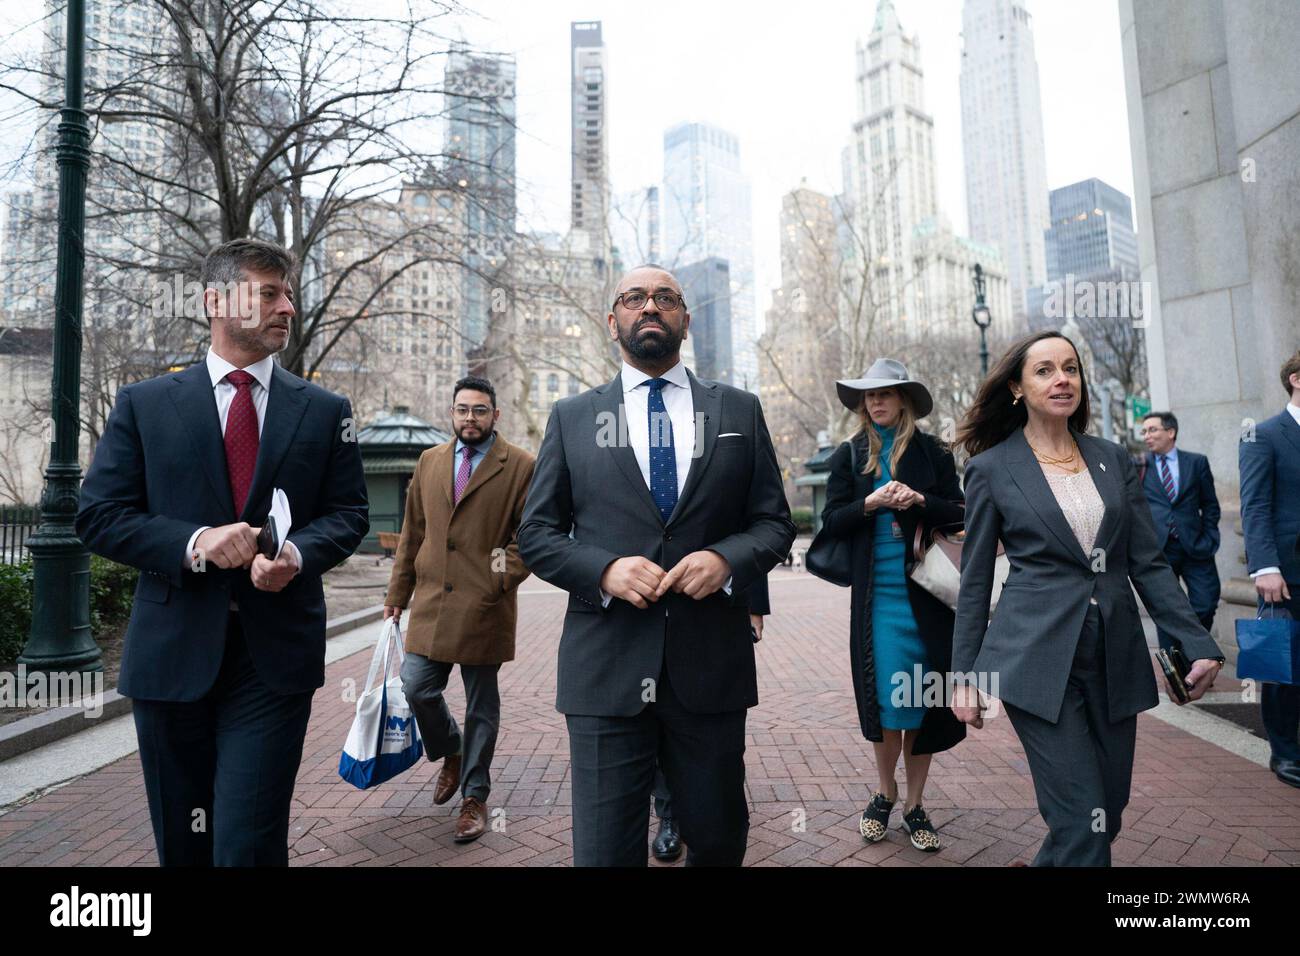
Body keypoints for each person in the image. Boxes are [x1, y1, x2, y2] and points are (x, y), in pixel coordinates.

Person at [75, 238, 370, 866]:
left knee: (247, 844)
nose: (285, 306)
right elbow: (98, 516)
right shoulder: (145, 405)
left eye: (287, 293)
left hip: (273, 660)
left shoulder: (324, 411)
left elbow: (348, 516)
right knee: (185, 846)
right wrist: (193, 542)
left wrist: (297, 555)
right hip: (171, 655)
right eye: (268, 293)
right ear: (215, 300)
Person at [518, 265, 795, 867]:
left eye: (665, 298)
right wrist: (603, 571)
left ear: (685, 321)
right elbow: (535, 534)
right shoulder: (571, 418)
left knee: (719, 842)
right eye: (635, 298)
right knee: (604, 853)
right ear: (611, 320)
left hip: (709, 669)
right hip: (605, 671)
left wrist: (726, 560)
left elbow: (775, 524)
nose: (650, 306)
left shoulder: (739, 411)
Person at [951, 330, 1224, 866]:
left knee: (1108, 812)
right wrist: (964, 675)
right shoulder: (991, 470)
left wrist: (1197, 641)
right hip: (1035, 659)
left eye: (1070, 369)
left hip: (1114, 654)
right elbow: (975, 578)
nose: (1062, 380)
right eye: (1045, 370)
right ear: (1016, 387)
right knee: (1081, 821)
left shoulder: (1113, 459)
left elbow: (1146, 562)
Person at [819, 359, 966, 852]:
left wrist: (918, 499)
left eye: (884, 394)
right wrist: (872, 502)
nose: (875, 402)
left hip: (928, 594)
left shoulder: (933, 452)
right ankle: (885, 792)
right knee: (886, 698)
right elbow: (832, 520)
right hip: (877, 597)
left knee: (923, 698)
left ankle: (915, 805)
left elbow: (961, 512)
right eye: (868, 396)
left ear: (903, 398)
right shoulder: (850, 454)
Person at [382, 376, 536, 841]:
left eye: (480, 410)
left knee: (481, 706)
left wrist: (495, 579)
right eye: (463, 410)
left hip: (485, 605)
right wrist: (396, 596)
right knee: (415, 686)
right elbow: (412, 534)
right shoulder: (429, 461)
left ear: (496, 415)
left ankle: (475, 797)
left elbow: (527, 539)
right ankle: (450, 749)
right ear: (452, 413)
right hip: (431, 602)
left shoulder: (521, 465)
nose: (471, 418)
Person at [651, 575, 771, 863]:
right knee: (657, 722)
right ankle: (669, 816)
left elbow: (750, 534)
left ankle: (712, 816)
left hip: (713, 613)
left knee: (714, 748)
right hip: (642, 613)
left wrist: (755, 606)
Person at [1239, 350, 1300, 789]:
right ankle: (1285, 753)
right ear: (1296, 380)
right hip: (1286, 574)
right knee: (1285, 666)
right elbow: (1254, 505)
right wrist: (1264, 566)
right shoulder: (1262, 436)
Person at [1138, 411, 1222, 649]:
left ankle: (1191, 651)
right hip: (1158, 550)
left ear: (1170, 432)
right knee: (1165, 610)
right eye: (1144, 431)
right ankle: (1175, 669)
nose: (1146, 436)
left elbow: (1210, 505)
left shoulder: (1196, 462)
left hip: (1196, 546)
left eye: (1152, 430)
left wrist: (1208, 537)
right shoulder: (1137, 465)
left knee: (1206, 603)